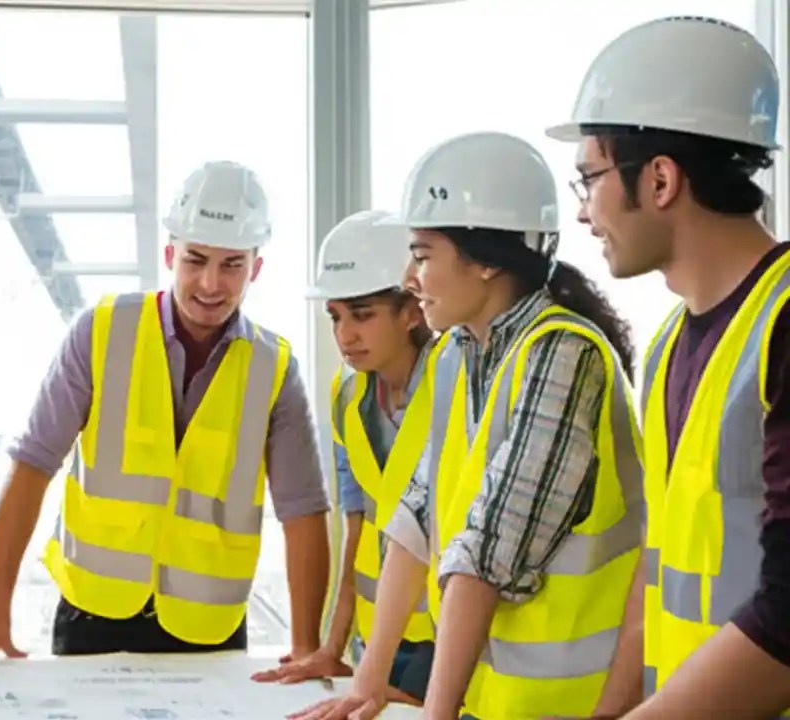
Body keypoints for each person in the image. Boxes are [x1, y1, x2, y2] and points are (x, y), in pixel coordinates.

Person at [291, 131, 645, 720]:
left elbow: (487, 555)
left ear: (484, 261)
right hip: (497, 702)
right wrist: (367, 684)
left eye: (424, 255)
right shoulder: (459, 353)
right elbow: (417, 516)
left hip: (572, 705)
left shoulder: (561, 355)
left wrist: (435, 713)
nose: (409, 276)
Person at [0, 160, 332, 661]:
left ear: (256, 268)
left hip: (208, 628)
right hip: (91, 617)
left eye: (232, 265)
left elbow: (303, 512)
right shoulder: (100, 332)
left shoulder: (275, 369)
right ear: (170, 254)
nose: (210, 283)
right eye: (195, 259)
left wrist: (307, 644)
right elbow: (33, 465)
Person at [548, 15, 790, 717]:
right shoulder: (664, 351)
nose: (585, 213)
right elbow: (656, 577)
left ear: (659, 180)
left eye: (588, 178)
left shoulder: (782, 327)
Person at [251, 210, 444, 704]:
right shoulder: (346, 393)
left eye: (362, 314)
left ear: (411, 310)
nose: (345, 335)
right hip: (378, 642)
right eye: (335, 316)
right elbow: (355, 528)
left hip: (449, 644)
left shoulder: (456, 383)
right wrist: (330, 647)